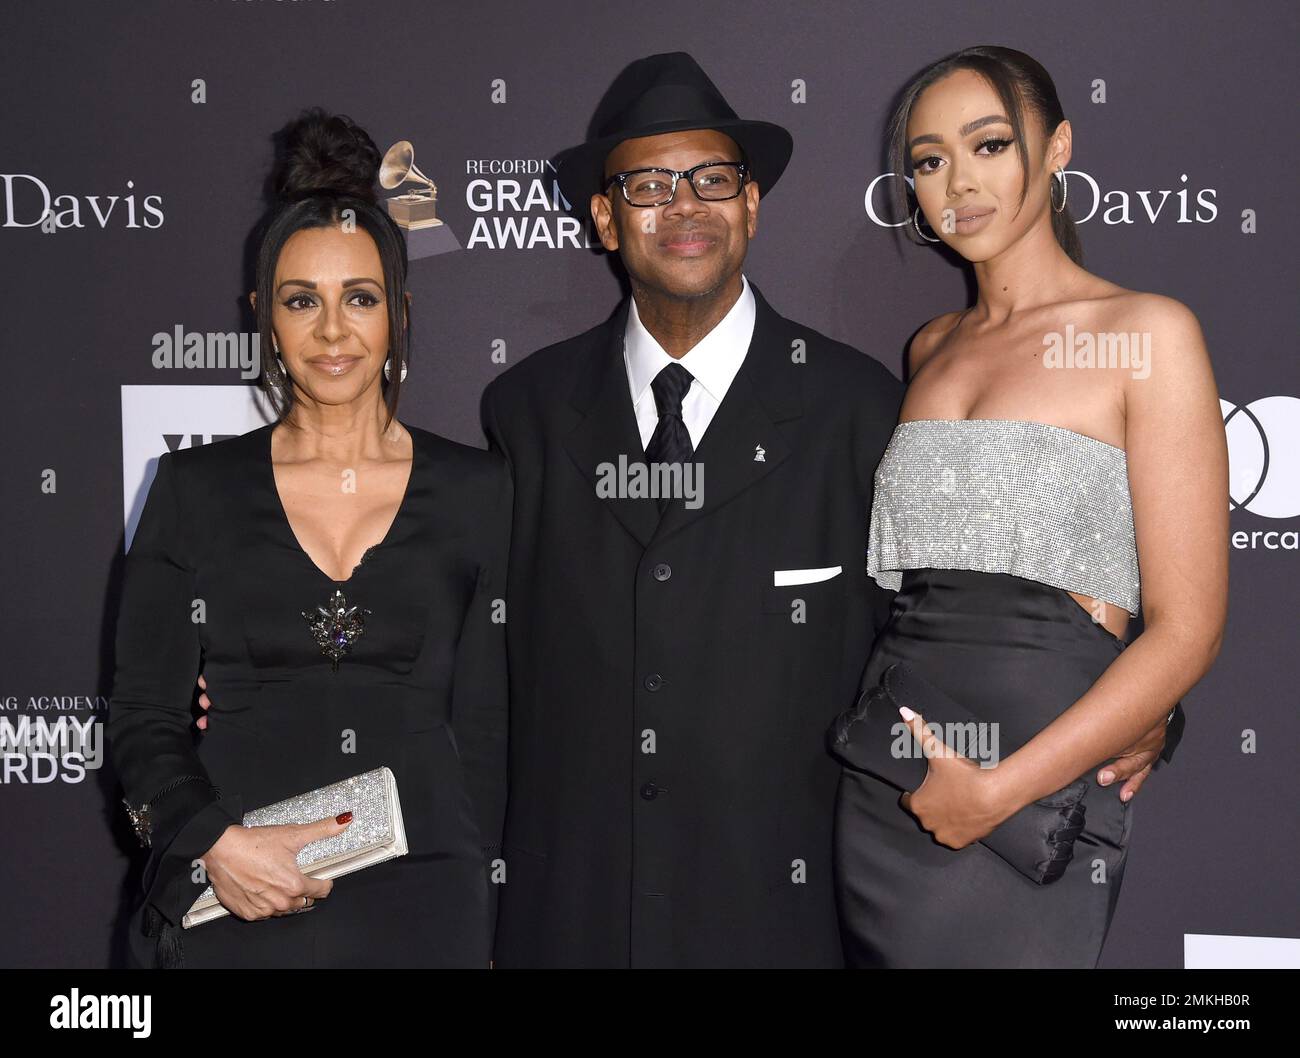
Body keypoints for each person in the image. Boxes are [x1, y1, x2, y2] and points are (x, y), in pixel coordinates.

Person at [477, 52, 1179, 968]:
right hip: (568, 912)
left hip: (795, 911)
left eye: (713, 179)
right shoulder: (524, 410)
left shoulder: (864, 405)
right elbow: (468, 642)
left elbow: (956, 614)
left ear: (753, 204)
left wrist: (1144, 704)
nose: (684, 205)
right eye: (647, 184)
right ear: (606, 217)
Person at [830, 45, 1225, 968]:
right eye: (928, 162)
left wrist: (1002, 790)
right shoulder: (928, 349)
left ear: (1057, 150)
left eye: (989, 145)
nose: (957, 183)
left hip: (1035, 784)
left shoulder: (1147, 334)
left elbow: (1188, 630)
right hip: (894, 779)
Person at [109, 109, 509, 968]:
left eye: (358, 298)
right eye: (302, 301)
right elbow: (143, 717)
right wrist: (213, 841)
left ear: (397, 311)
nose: (332, 332)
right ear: (264, 316)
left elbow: (496, 731)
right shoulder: (193, 492)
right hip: (233, 888)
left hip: (427, 899)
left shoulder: (483, 491)